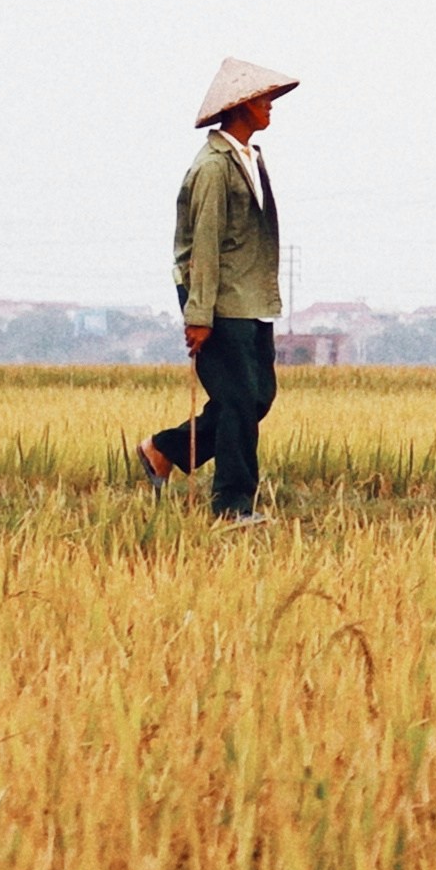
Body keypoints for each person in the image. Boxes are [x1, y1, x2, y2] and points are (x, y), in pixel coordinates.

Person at [142, 56, 294, 521]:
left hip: (250, 299)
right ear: (241, 105)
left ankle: (164, 449)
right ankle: (233, 505)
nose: (271, 106)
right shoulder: (212, 167)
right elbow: (202, 245)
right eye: (263, 99)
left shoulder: (249, 158)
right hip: (219, 300)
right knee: (236, 403)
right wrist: (199, 315)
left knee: (255, 399)